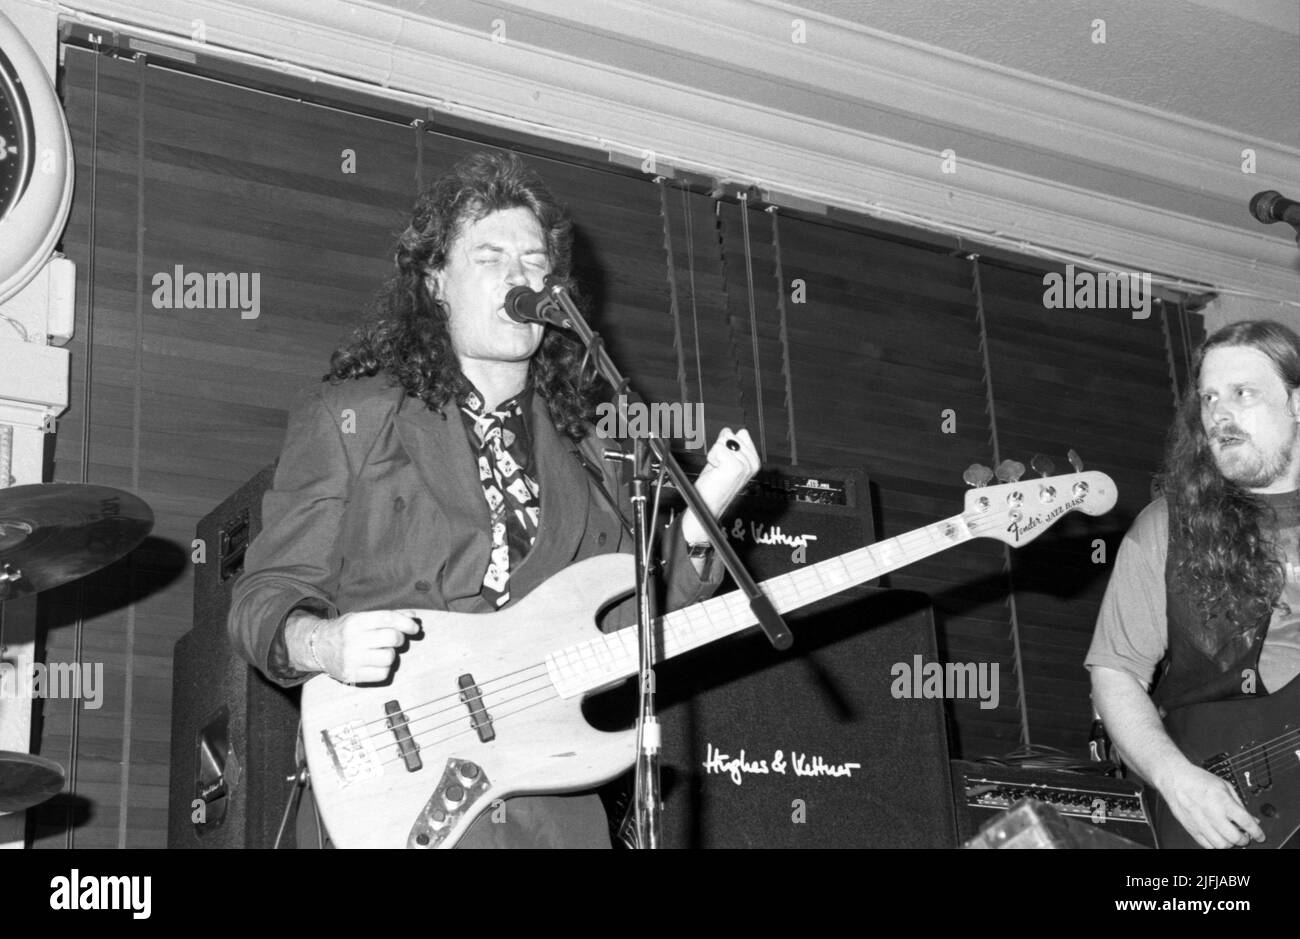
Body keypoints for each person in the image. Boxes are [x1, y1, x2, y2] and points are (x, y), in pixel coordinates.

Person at [227, 150, 757, 847]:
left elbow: (631, 628)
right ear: (436, 280)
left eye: (535, 262)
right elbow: (261, 596)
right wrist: (322, 642)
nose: (519, 276)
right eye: (490, 256)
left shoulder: (596, 449)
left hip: (553, 803)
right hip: (397, 786)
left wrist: (692, 535)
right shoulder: (351, 418)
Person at [1087, 319, 1300, 848]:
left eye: (1242, 393)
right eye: (1208, 399)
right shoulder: (1166, 526)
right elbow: (1115, 673)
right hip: (1225, 800)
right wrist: (1176, 781)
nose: (1219, 416)